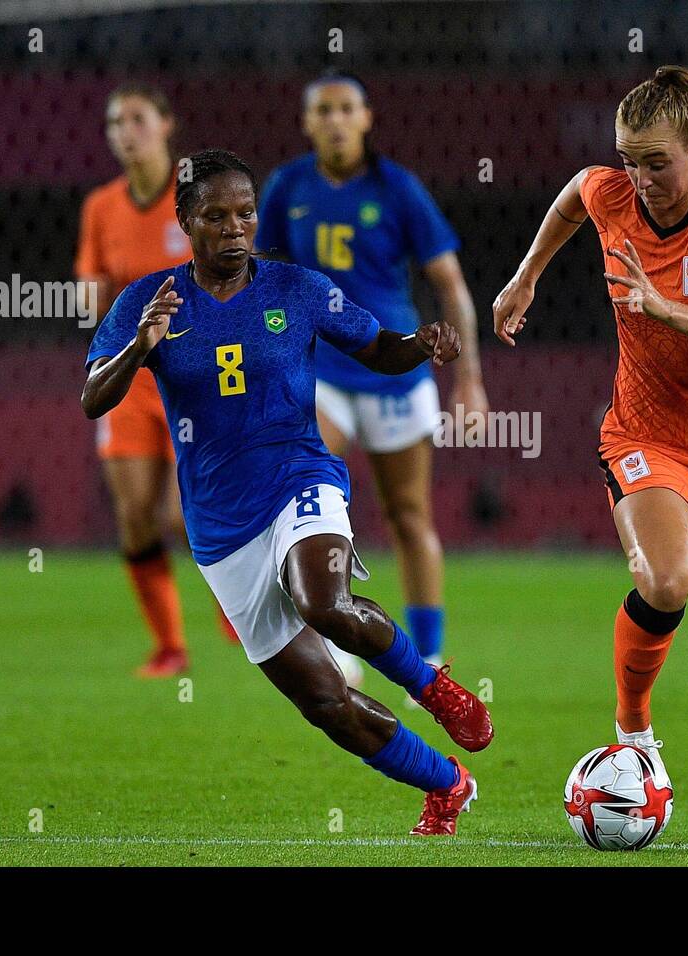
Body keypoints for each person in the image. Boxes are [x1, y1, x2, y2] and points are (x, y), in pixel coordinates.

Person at [83, 149, 492, 835]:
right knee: (324, 703)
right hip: (220, 527)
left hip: (301, 478)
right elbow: (95, 397)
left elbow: (378, 348)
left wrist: (421, 344)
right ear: (186, 221)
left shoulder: (297, 290)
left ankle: (430, 683)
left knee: (323, 600)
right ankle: (446, 783)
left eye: (245, 213)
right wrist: (139, 346)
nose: (235, 228)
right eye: (216, 216)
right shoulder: (148, 302)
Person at [491, 61, 688, 846]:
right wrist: (526, 275)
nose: (640, 178)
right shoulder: (611, 193)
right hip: (647, 434)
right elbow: (577, 192)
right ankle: (633, 734)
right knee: (665, 580)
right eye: (630, 159)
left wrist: (665, 308)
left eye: (657, 161)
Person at [255, 71, 487, 686]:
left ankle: (431, 656)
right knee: (304, 497)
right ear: (307, 122)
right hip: (320, 370)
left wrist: (469, 379)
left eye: (345, 108)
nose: (334, 119)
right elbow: (261, 277)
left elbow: (451, 288)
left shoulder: (398, 189)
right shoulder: (287, 188)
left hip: (395, 370)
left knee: (409, 515)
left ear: (366, 117)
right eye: (322, 110)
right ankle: (328, 640)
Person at [76, 84, 239, 678]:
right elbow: (92, 293)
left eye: (138, 119)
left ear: (167, 125)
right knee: (136, 517)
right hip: (130, 373)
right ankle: (170, 647)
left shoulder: (196, 200)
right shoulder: (100, 208)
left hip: (194, 372)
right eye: (116, 121)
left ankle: (236, 605)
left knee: (181, 511)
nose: (126, 131)